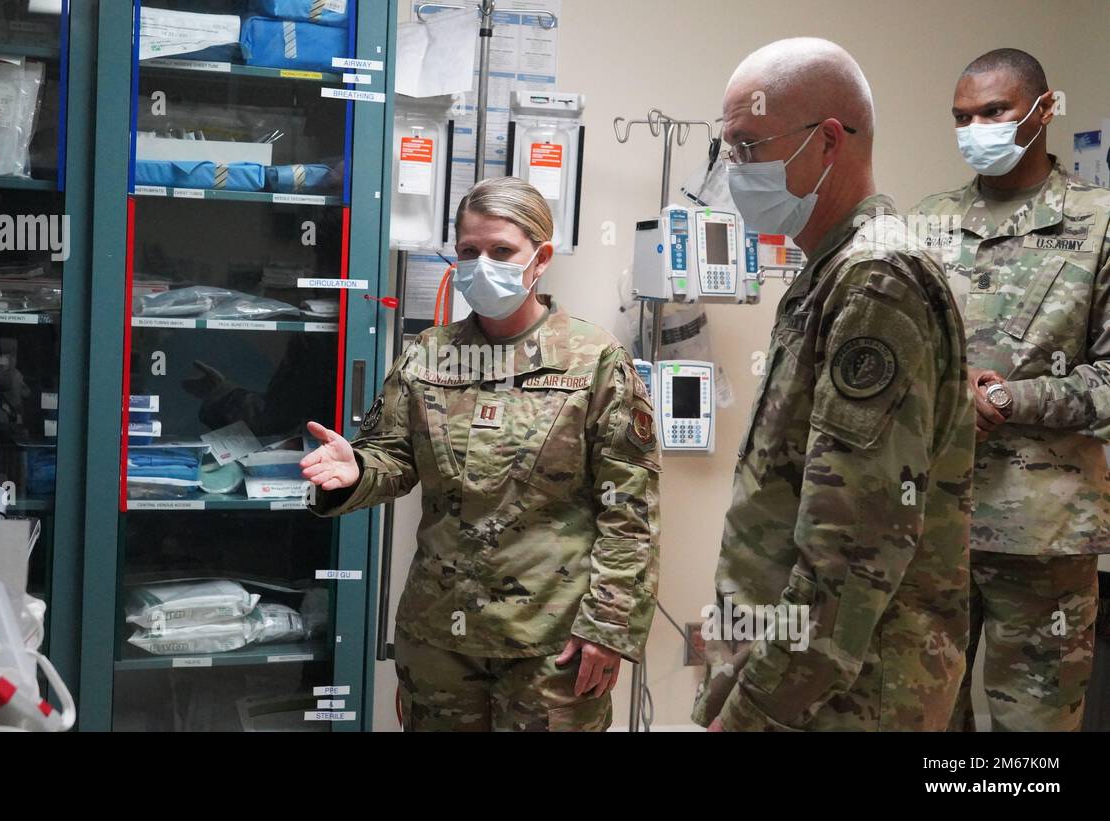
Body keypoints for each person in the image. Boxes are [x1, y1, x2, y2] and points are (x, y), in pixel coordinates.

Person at [301, 176, 662, 731]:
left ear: (539, 259)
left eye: (501, 251)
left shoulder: (593, 361)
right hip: (440, 634)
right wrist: (357, 472)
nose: (481, 265)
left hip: (551, 640)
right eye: (469, 252)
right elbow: (393, 459)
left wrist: (608, 626)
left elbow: (630, 512)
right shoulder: (429, 354)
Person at [690, 37, 975, 731]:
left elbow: (851, 550)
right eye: (725, 149)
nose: (734, 169)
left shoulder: (877, 281)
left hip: (847, 697)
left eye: (748, 146)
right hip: (803, 682)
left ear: (825, 143)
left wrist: (754, 710)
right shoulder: (831, 272)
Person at [910, 48, 1110, 731]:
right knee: (925, 721)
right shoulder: (922, 225)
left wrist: (1009, 400)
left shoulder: (1098, 222)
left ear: (1044, 109)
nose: (977, 129)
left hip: (1042, 535)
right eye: (963, 117)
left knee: (1035, 735)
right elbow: (879, 361)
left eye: (994, 111)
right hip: (931, 524)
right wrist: (944, 382)